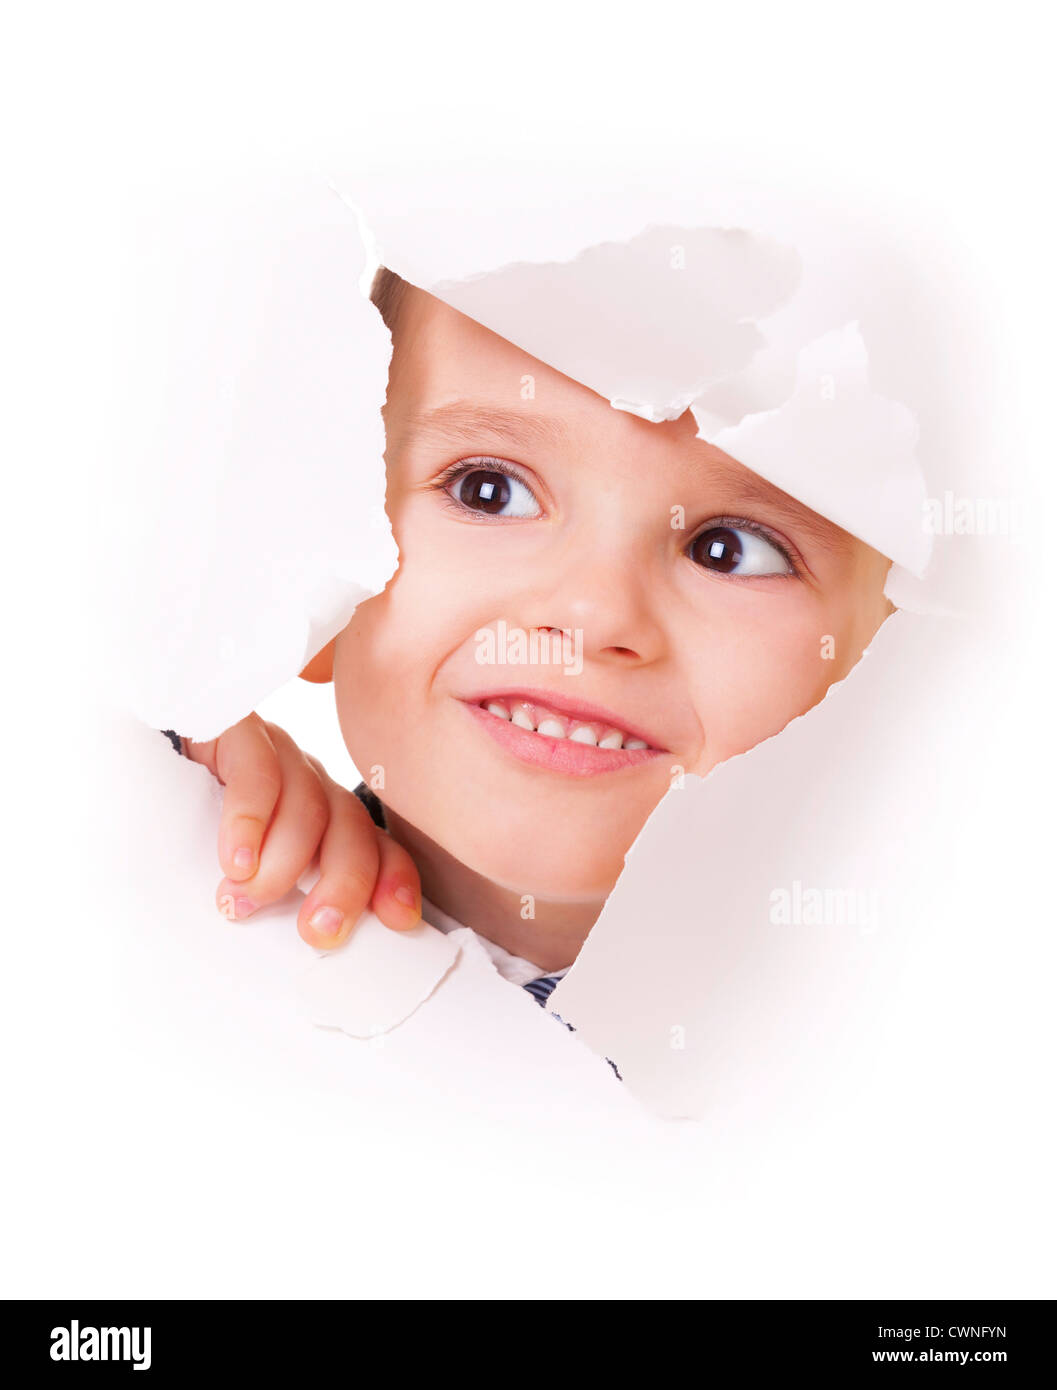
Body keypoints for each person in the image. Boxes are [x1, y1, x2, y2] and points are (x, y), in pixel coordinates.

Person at [176, 267, 894, 1000]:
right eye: (488, 492)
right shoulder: (169, 886)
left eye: (729, 551)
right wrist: (158, 766)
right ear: (313, 574)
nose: (593, 615)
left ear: (902, 663)